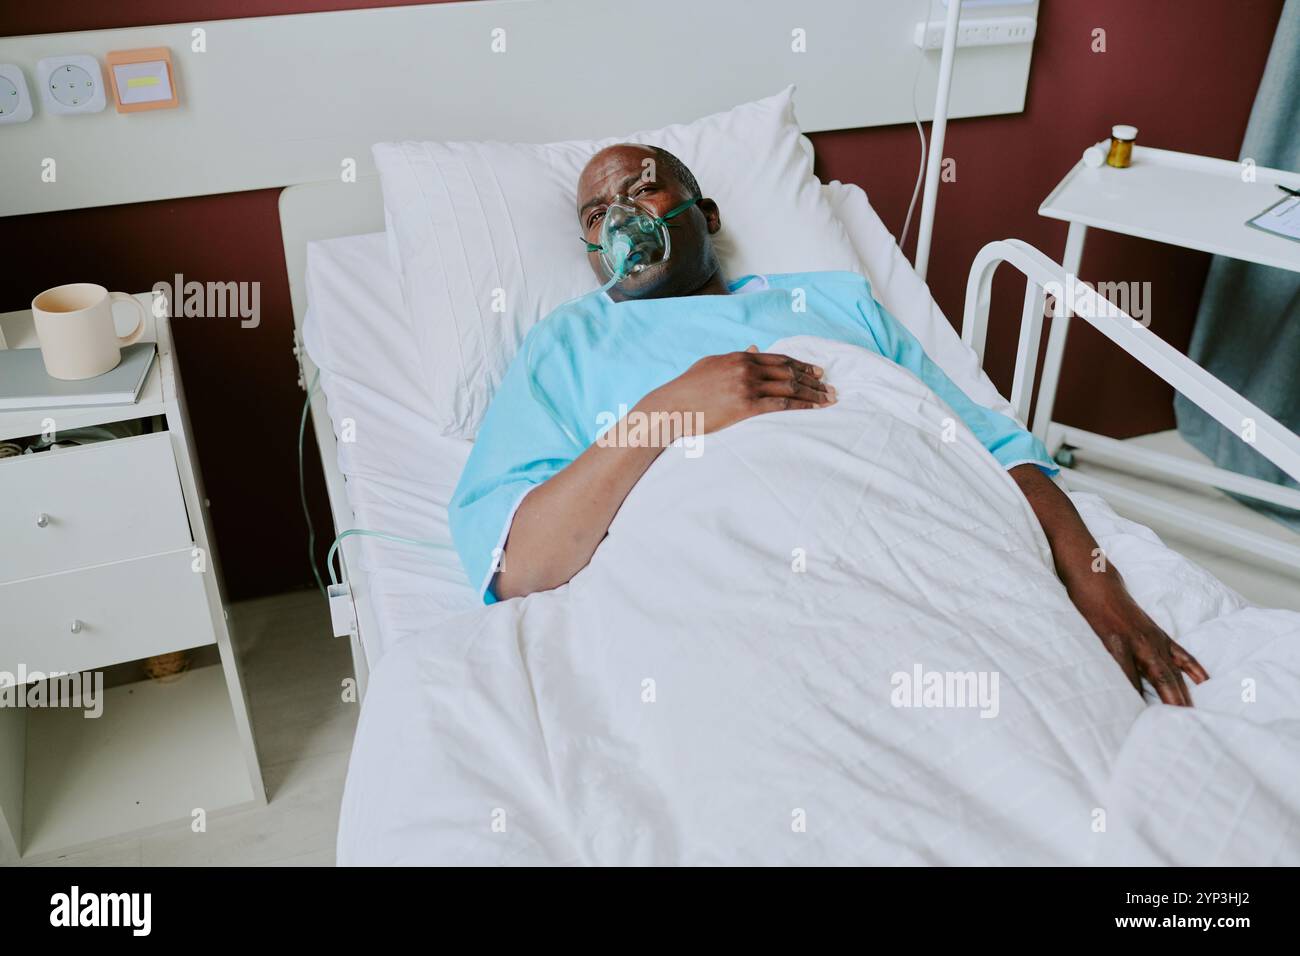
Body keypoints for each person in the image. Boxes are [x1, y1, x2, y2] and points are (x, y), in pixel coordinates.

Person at [450, 143, 1208, 706]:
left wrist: (1098, 587)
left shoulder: (833, 303)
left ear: (706, 215)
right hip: (736, 597)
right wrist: (669, 411)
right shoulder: (569, 345)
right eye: (595, 214)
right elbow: (521, 563)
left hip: (920, 538)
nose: (618, 218)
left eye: (643, 191)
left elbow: (992, 449)